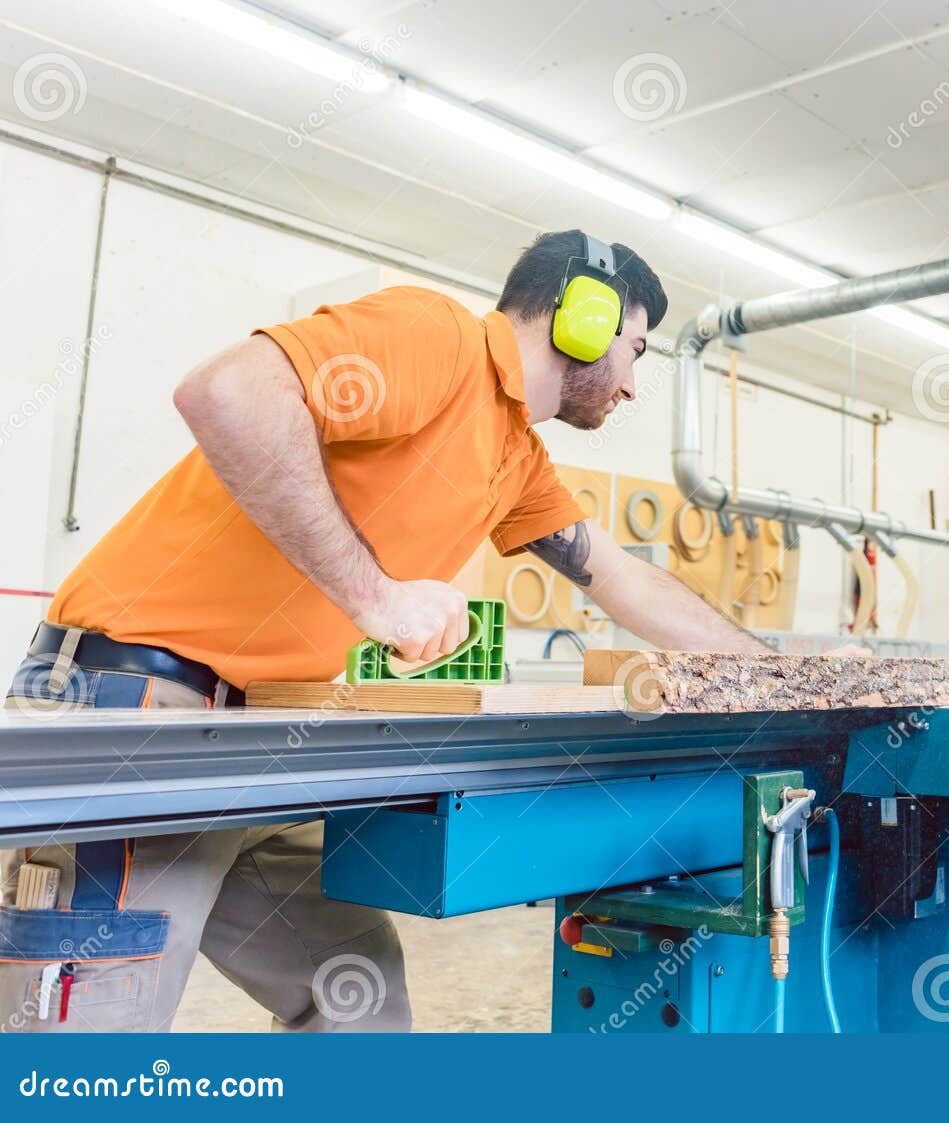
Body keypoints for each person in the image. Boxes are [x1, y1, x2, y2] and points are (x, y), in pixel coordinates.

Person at [1, 230, 849, 1033]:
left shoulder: (513, 456)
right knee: (91, 1026)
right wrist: (376, 596)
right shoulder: (435, 336)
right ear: (582, 316)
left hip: (246, 735)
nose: (631, 384)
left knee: (356, 989)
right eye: (635, 349)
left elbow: (621, 578)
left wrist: (774, 674)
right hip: (140, 700)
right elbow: (223, 391)